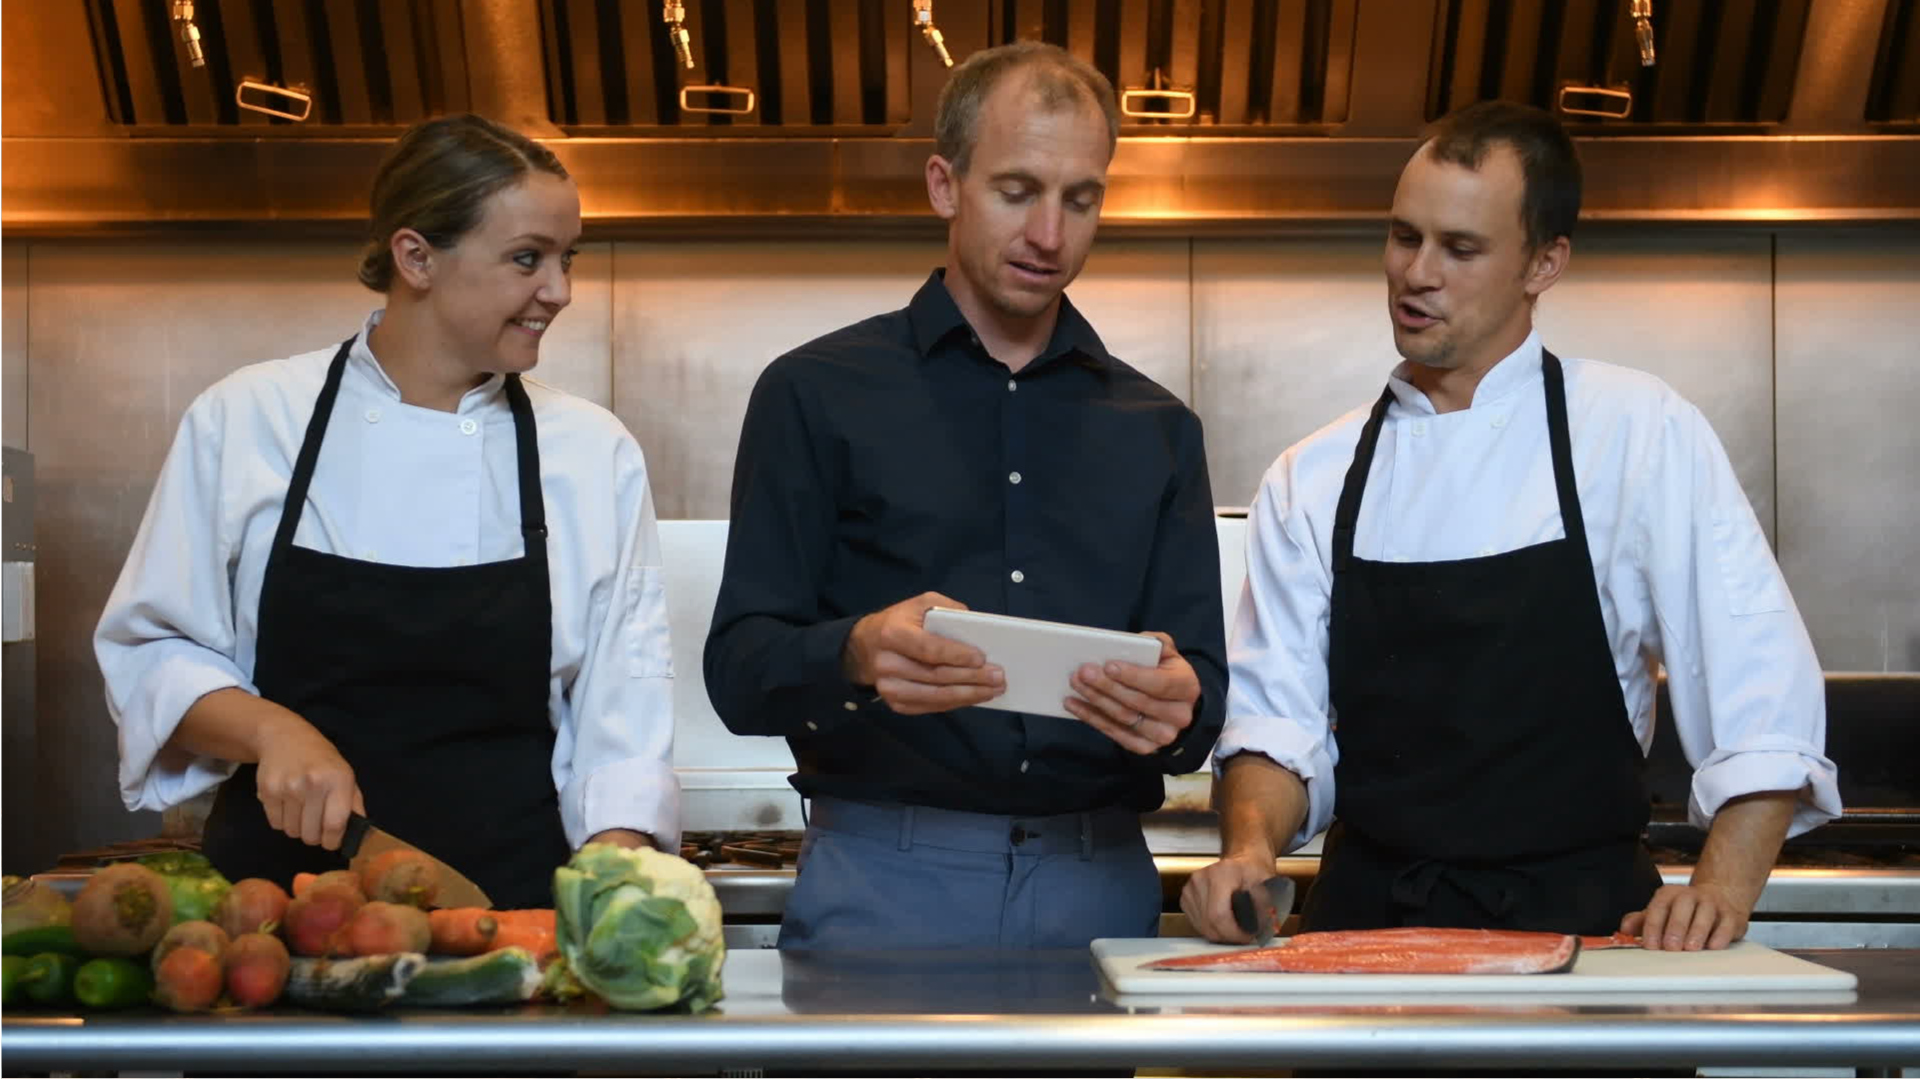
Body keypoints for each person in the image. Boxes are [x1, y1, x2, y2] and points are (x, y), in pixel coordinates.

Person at [1183, 100, 1839, 952]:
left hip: (1589, 932)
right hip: (1373, 932)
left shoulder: (1636, 431)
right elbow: (1276, 725)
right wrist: (1248, 850)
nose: (1417, 273)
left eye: (1460, 249)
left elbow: (1764, 699)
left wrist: (1718, 889)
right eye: (1403, 236)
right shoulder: (1313, 476)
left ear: (1544, 262)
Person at [704, 41, 1227, 950]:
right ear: (945, 185)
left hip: (1098, 885)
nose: (1050, 235)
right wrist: (857, 652)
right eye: (1017, 191)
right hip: (882, 877)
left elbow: (1206, 690)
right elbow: (740, 669)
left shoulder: (1160, 427)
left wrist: (1183, 708)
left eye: (1081, 198)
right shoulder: (813, 392)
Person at [95, 114, 678, 907]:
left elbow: (623, 706)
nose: (560, 290)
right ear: (416, 257)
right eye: (526, 259)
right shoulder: (250, 418)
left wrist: (615, 873)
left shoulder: (591, 451)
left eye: (565, 258)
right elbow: (151, 652)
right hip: (275, 918)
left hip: (506, 919)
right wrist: (272, 731)